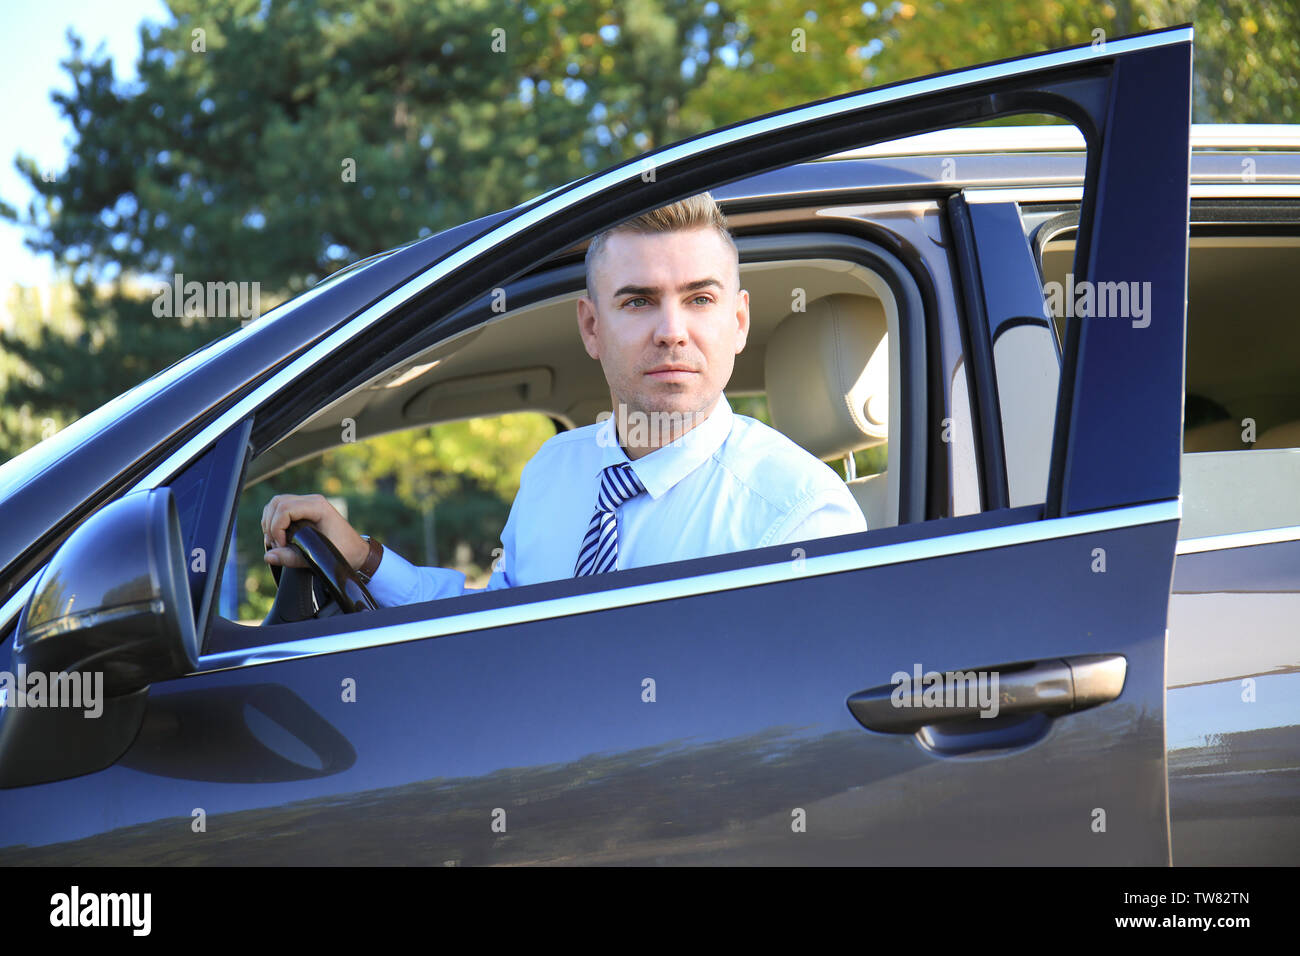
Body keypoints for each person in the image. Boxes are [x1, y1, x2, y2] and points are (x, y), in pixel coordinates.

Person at [262, 192, 867, 606]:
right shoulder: (555, 470)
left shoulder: (798, 515)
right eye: (637, 301)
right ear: (590, 327)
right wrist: (363, 559)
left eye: (700, 299)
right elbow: (495, 629)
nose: (672, 330)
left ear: (738, 322)